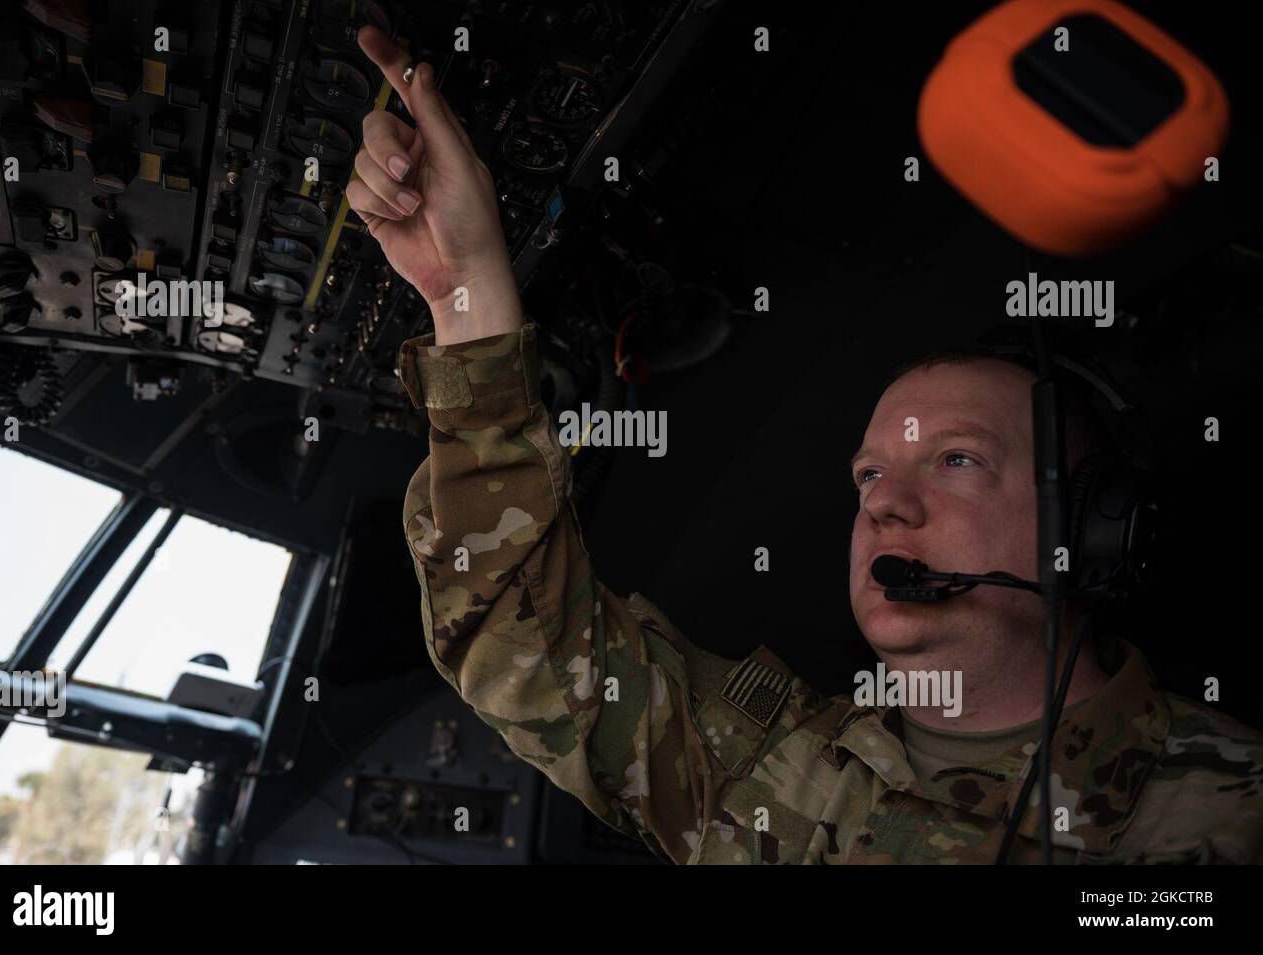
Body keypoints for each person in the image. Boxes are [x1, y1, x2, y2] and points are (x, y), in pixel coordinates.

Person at [349, 26, 1263, 864]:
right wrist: (465, 287)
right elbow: (519, 635)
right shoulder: (771, 768)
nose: (883, 504)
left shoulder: (1229, 809)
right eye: (869, 473)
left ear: (1090, 527)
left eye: (956, 459)